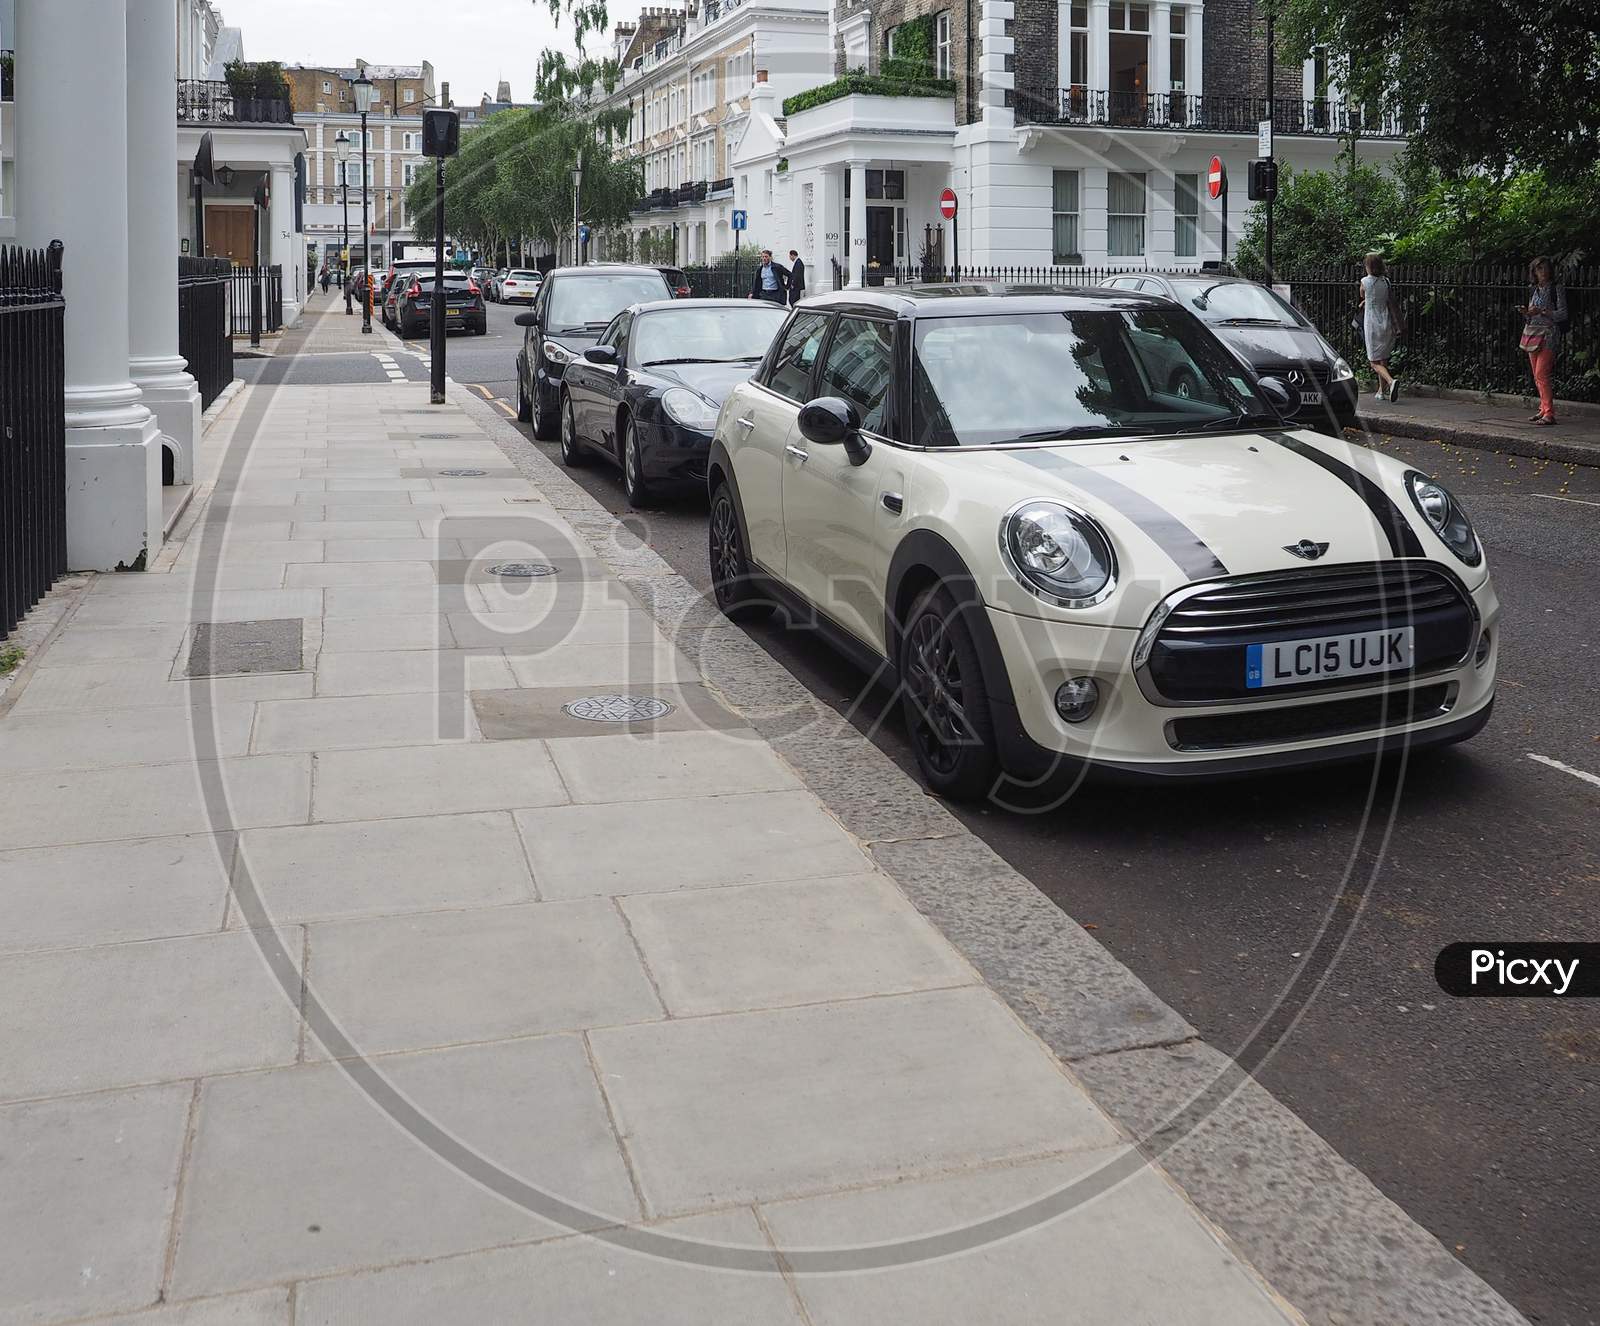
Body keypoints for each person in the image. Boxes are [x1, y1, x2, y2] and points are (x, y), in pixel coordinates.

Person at [1519, 255, 1568, 426]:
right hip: (1533, 334)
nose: (1544, 272)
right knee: (1536, 375)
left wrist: (1543, 311)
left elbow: (1562, 313)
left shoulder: (1556, 289)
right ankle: (1543, 408)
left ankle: (1549, 413)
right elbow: (1531, 317)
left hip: (1549, 335)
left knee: (1542, 373)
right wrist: (1528, 313)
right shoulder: (1534, 290)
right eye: (1539, 269)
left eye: (1546, 268)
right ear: (1534, 272)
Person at [1359, 253, 1403, 402]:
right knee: (1383, 358)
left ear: (1369, 267)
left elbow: (1363, 294)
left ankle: (1391, 382)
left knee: (1373, 361)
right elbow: (1382, 299)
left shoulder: (1365, 281)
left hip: (1372, 323)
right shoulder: (1386, 282)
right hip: (1386, 321)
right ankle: (1381, 391)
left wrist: (1365, 301)